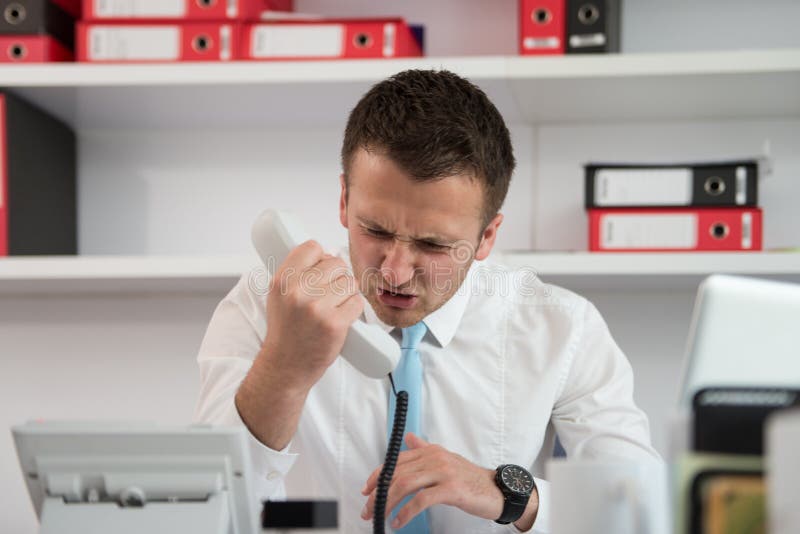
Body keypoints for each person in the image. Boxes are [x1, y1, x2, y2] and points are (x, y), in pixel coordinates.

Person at [194, 69, 659, 533]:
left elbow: (643, 514)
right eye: (374, 230)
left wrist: (508, 495)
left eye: (434, 245)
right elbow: (203, 514)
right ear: (343, 199)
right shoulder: (268, 302)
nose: (394, 272)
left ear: (487, 236)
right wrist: (284, 368)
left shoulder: (562, 328)